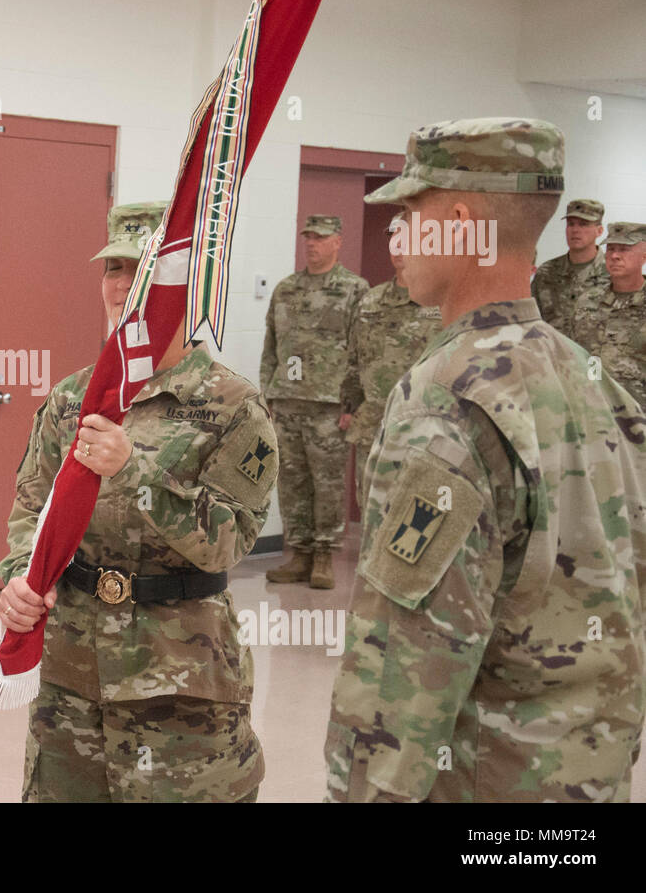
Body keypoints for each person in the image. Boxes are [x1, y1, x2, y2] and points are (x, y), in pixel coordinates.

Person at [325, 117, 646, 802]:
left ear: (460, 221)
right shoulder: (597, 382)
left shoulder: (445, 399)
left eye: (411, 210)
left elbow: (405, 671)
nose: (399, 235)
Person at [0, 201, 278, 803]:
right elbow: (30, 510)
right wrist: (22, 577)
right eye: (111, 269)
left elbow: (230, 539)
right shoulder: (74, 398)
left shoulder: (231, 406)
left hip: (180, 679)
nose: (120, 285)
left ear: (181, 287)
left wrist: (134, 471)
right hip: (72, 671)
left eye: (139, 270)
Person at [260, 215, 368, 589]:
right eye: (308, 237)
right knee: (291, 481)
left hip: (329, 403)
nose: (312, 244)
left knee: (327, 483)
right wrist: (267, 394)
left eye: (320, 238)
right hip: (287, 400)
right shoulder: (286, 289)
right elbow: (272, 346)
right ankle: (300, 552)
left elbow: (361, 350)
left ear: (337, 241)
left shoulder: (354, 289)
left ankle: (324, 555)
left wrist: (352, 404)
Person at [339, 213, 441, 507]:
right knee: (372, 507)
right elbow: (354, 360)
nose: (398, 245)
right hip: (375, 425)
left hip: (426, 428)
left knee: (418, 514)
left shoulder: (441, 298)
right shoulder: (371, 300)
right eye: (393, 238)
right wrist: (349, 405)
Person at [571, 222, 646, 409]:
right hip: (594, 412)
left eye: (624, 249)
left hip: (639, 417)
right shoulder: (588, 301)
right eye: (610, 249)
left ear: (644, 256)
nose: (614, 256)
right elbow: (579, 356)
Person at [531, 198, 607, 338]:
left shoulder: (613, 273)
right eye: (571, 224)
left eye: (583, 224)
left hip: (596, 358)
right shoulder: (547, 272)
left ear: (599, 231)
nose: (575, 230)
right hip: (555, 356)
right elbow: (532, 321)